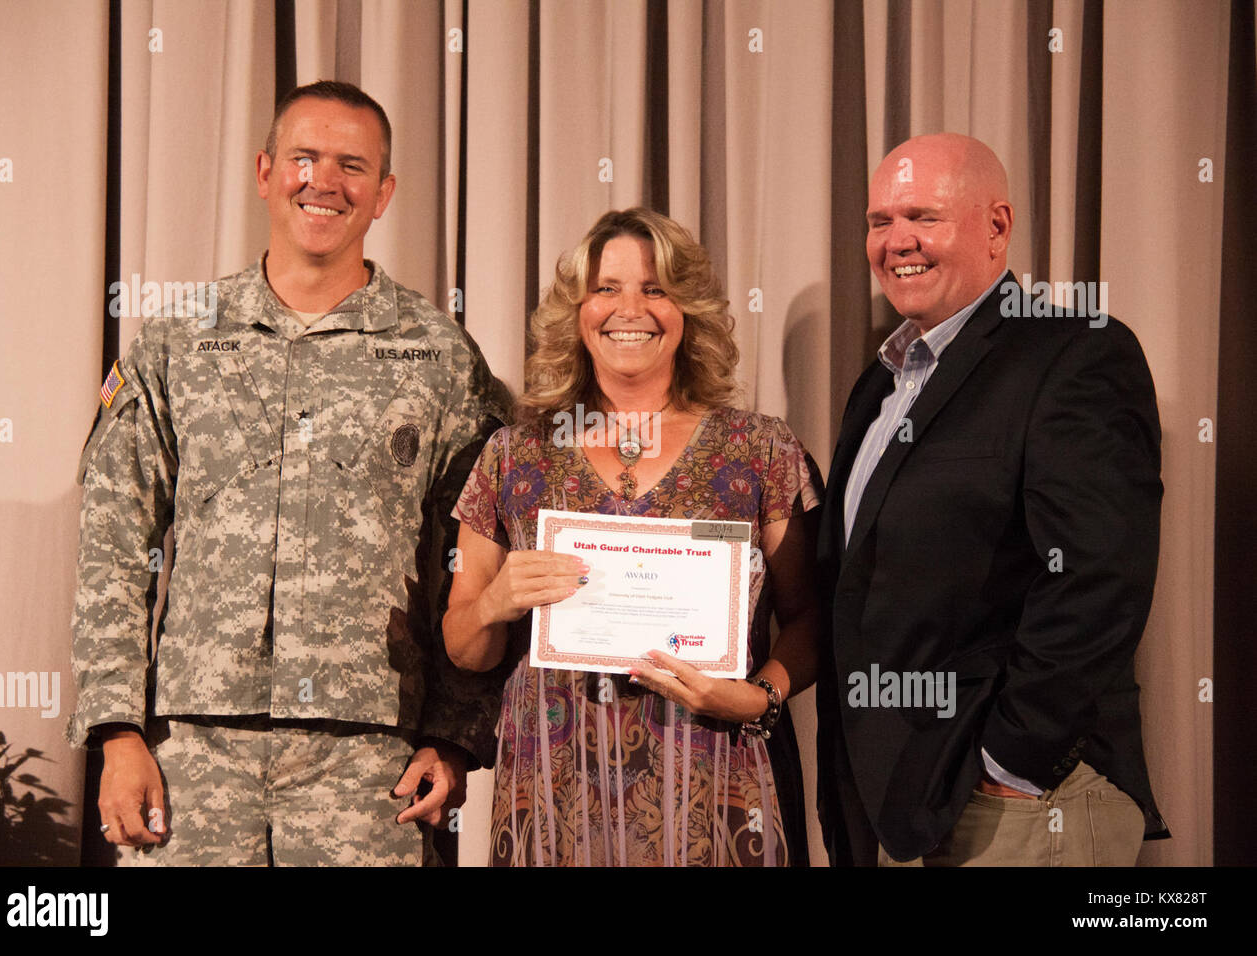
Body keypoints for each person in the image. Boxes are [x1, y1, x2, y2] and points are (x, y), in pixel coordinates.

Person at [68, 81, 509, 865]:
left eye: (352, 166)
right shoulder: (177, 340)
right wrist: (118, 731)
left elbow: (474, 563)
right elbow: (115, 538)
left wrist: (453, 736)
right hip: (191, 751)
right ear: (266, 171)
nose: (324, 182)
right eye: (304, 158)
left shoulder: (440, 357)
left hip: (373, 760)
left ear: (383, 194)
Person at [815, 132, 1167, 866]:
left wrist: (1010, 763)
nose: (897, 241)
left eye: (923, 217)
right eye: (880, 221)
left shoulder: (1075, 353)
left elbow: (1098, 577)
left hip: (1028, 807)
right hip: (902, 808)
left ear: (996, 227)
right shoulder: (878, 383)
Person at [444, 208, 821, 866]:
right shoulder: (515, 455)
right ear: (577, 309)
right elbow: (464, 647)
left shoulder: (760, 449)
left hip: (715, 786)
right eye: (607, 288)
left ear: (687, 309)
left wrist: (758, 696)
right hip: (554, 804)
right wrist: (496, 602)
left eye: (655, 289)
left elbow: (814, 618)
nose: (631, 308)